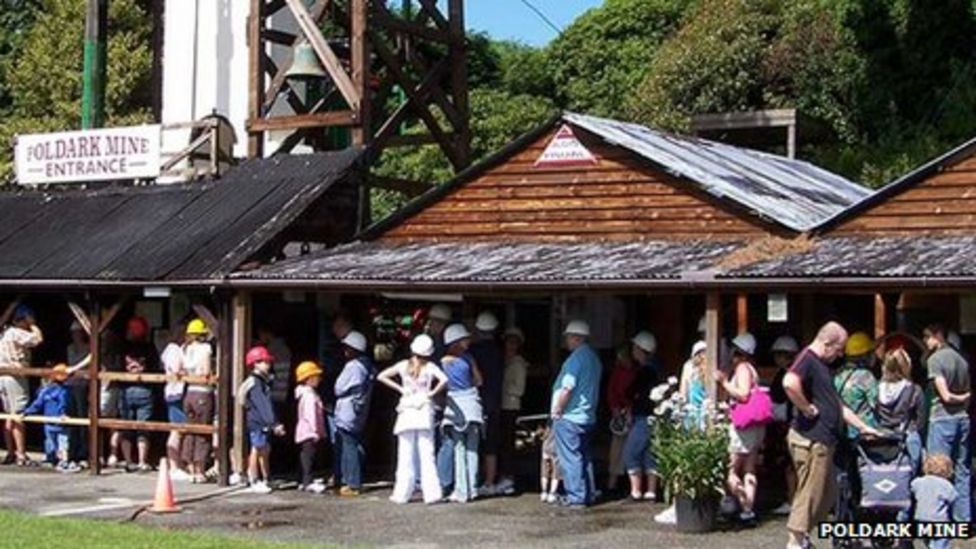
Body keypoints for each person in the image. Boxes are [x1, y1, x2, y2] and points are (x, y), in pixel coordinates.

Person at [783, 322, 882, 549]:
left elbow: (838, 405)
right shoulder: (807, 359)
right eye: (838, 349)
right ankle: (796, 541)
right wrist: (806, 407)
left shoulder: (822, 366)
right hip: (811, 440)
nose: (840, 355)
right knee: (811, 492)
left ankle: (802, 537)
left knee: (827, 493)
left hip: (825, 439)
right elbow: (789, 383)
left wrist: (864, 427)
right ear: (827, 344)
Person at [377, 334, 448, 505]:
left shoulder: (402, 366)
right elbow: (445, 380)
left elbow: (381, 376)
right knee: (427, 453)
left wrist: (401, 389)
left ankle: (402, 494)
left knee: (405, 454)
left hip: (407, 409)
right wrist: (431, 393)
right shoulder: (430, 366)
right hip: (424, 408)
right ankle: (432, 494)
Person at [922, 323, 971, 522]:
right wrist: (967, 397)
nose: (925, 342)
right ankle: (964, 519)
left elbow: (946, 396)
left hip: (942, 419)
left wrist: (960, 397)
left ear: (938, 335)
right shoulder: (962, 359)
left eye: (927, 337)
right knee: (962, 469)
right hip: (963, 419)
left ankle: (938, 520)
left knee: (937, 470)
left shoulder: (935, 360)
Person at [655, 340, 708, 525]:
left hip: (690, 418)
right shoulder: (713, 367)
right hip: (707, 419)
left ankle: (678, 506)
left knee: (684, 462)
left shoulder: (688, 367)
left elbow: (683, 394)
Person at [550, 320, 602, 508]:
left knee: (570, 458)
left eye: (568, 337)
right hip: (588, 416)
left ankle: (576, 496)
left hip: (570, 417)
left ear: (576, 338)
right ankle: (589, 493)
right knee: (584, 457)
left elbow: (567, 387)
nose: (566, 341)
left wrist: (558, 409)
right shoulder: (593, 358)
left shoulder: (575, 360)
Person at [716, 332, 764, 523]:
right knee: (750, 469)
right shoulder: (752, 369)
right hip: (756, 426)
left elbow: (743, 394)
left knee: (731, 470)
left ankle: (742, 503)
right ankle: (748, 510)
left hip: (743, 427)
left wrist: (724, 383)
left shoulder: (743, 368)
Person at [440, 324, 484, 503]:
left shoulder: (443, 363)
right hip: (472, 405)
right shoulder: (468, 359)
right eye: (465, 339)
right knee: (473, 450)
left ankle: (461, 490)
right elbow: (479, 380)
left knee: (459, 449)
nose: (468, 341)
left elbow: (441, 386)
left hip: (455, 407)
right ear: (456, 342)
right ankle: (473, 489)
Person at [333, 331, 376, 497]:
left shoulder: (353, 367)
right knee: (355, 443)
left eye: (348, 348)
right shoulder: (368, 366)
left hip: (348, 410)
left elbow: (339, 388)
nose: (345, 351)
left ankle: (352, 482)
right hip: (360, 411)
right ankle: (352, 479)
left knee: (348, 446)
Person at [0, 304, 43, 466]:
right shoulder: (17, 333)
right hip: (15, 377)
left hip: (2, 376)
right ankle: (20, 454)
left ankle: (10, 452)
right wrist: (33, 324)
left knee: (8, 415)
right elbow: (38, 339)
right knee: (18, 414)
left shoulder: (4, 332)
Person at [470, 311, 506, 496]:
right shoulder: (500, 352)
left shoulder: (472, 352)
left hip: (476, 402)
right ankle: (490, 481)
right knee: (491, 443)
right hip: (495, 402)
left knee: (473, 443)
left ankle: (473, 479)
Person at [242, 345, 285, 494]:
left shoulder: (261, 381)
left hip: (261, 421)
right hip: (257, 422)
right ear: (255, 363)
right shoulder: (256, 383)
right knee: (257, 449)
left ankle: (266, 478)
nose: (268, 364)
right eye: (264, 361)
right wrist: (274, 423)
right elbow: (263, 405)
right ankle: (254, 479)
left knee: (264, 449)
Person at [119, 316, 159, 473]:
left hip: (129, 389)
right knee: (143, 426)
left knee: (127, 426)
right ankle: (141, 461)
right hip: (143, 389)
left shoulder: (123, 347)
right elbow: (156, 367)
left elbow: (116, 365)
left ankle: (129, 461)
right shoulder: (149, 347)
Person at [623, 331, 660, 502]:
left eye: (635, 347)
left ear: (640, 349)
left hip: (642, 417)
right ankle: (651, 491)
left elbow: (630, 392)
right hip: (655, 418)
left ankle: (636, 491)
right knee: (650, 454)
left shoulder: (644, 372)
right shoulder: (657, 369)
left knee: (631, 453)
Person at [875, 348, 923, 475]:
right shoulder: (914, 389)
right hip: (907, 436)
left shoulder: (876, 389)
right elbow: (921, 419)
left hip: (882, 438)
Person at [22, 364, 77, 472]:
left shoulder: (49, 390)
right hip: (56, 422)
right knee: (59, 442)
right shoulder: (61, 391)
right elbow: (62, 404)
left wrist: (27, 412)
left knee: (55, 442)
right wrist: (27, 412)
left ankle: (55, 459)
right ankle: (58, 460)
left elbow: (38, 404)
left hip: (54, 422)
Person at [767, 335, 799, 515]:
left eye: (780, 354)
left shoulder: (787, 375)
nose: (776, 358)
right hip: (789, 423)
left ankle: (792, 500)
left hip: (788, 424)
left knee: (790, 465)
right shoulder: (794, 372)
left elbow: (778, 399)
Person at [181, 319, 213, 483]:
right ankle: (200, 470)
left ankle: (190, 468)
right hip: (203, 393)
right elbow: (206, 370)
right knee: (203, 433)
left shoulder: (185, 349)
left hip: (189, 392)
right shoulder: (206, 348)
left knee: (190, 431)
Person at [497, 327, 528, 495]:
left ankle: (508, 478)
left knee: (508, 443)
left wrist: (502, 388)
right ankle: (503, 475)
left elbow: (520, 389)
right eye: (508, 341)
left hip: (510, 405)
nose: (510, 345)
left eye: (514, 342)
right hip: (500, 405)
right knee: (501, 442)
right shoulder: (503, 360)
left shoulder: (518, 363)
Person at [834, 331, 878, 440]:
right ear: (865, 355)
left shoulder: (837, 374)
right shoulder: (866, 376)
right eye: (872, 352)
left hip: (842, 431)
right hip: (863, 433)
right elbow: (876, 403)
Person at [605, 343, 637, 494]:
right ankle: (613, 483)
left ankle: (633, 486)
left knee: (634, 448)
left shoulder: (638, 371)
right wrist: (615, 409)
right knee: (616, 448)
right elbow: (611, 391)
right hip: (620, 413)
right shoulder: (618, 371)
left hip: (635, 412)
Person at [911, 453, 958, 549]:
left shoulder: (918, 482)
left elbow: (911, 490)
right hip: (939, 519)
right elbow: (953, 498)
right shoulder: (946, 485)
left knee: (925, 542)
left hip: (921, 518)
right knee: (941, 543)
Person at [160, 322, 188, 479]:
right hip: (176, 392)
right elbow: (177, 370)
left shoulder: (172, 349)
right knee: (177, 429)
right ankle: (174, 465)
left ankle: (178, 464)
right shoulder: (174, 349)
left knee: (180, 429)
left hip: (174, 392)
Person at [294, 360, 326, 494]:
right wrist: (316, 431)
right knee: (308, 457)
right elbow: (310, 415)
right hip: (309, 432)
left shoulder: (305, 393)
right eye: (316, 376)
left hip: (304, 431)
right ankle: (308, 482)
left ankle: (302, 480)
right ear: (308, 379)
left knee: (305, 456)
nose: (319, 379)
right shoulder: (309, 395)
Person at [258, 326, 293, 413]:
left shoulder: (272, 350)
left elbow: (269, 373)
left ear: (268, 334)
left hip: (275, 392)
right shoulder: (283, 348)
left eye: (260, 335)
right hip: (283, 392)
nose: (260, 338)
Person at [539, 423, 561, 504]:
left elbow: (541, 432)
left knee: (544, 469)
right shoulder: (561, 421)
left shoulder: (549, 422)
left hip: (546, 445)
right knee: (556, 470)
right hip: (556, 446)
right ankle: (552, 493)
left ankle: (544, 492)